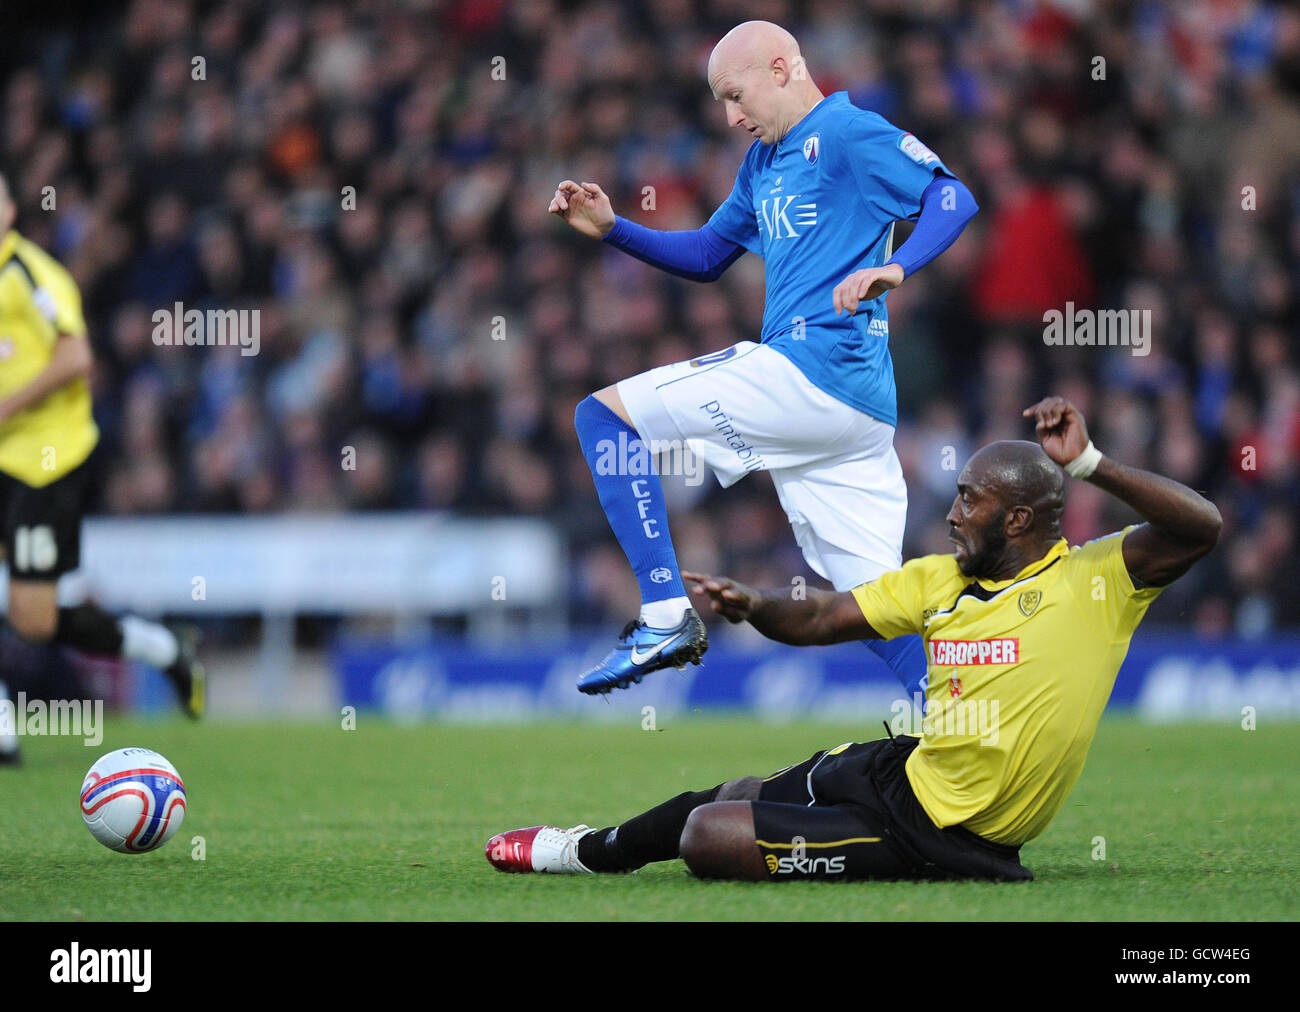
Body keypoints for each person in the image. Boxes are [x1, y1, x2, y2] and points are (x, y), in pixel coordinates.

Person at [485, 397, 1221, 881]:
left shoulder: (1097, 583)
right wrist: (754, 603)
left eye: (971, 499)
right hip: (902, 772)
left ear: (1020, 520)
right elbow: (817, 619)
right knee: (740, 791)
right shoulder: (936, 579)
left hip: (947, 839)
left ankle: (609, 850)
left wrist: (1090, 466)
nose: (953, 513)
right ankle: (583, 850)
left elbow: (1202, 526)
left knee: (710, 837)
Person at [550, 20, 978, 695]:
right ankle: (963, 724)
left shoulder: (845, 133)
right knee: (874, 604)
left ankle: (664, 614)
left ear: (781, 69)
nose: (730, 116)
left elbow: (953, 196)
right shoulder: (763, 163)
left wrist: (898, 267)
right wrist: (613, 230)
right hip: (857, 415)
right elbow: (707, 257)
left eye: (735, 94)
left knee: (603, 420)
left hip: (813, 374)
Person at [0, 172, 203, 766]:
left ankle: (162, 647)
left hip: (46, 461)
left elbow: (77, 356)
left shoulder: (31, 274)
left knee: (33, 620)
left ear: (10, 209)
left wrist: (5, 408)